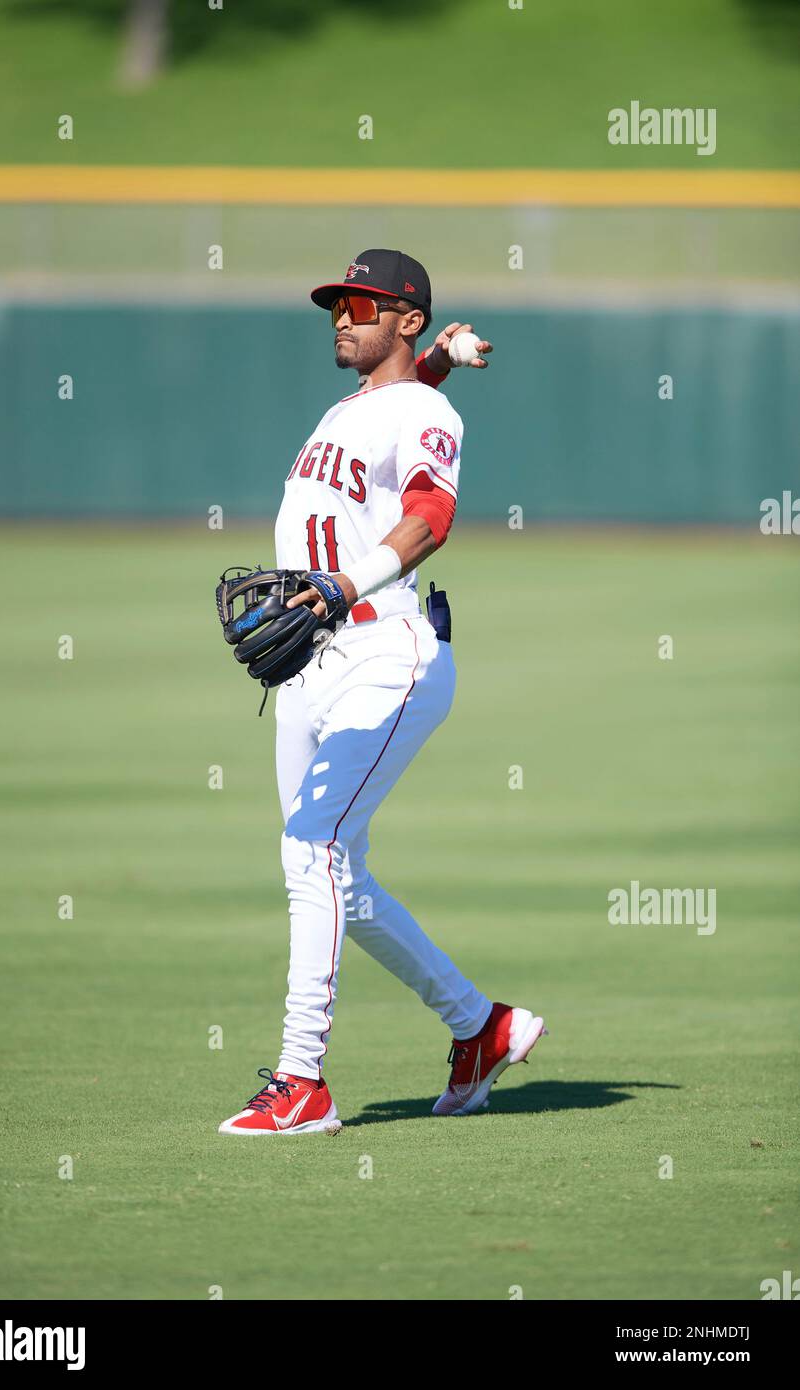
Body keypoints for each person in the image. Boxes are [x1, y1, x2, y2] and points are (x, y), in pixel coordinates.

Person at [219, 250, 547, 1136]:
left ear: (403, 316)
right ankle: (482, 1028)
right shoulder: (368, 402)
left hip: (385, 651)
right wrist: (436, 356)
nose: (342, 315)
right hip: (311, 666)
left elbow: (430, 515)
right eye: (336, 304)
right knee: (332, 872)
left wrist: (340, 587)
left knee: (310, 850)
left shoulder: (427, 410)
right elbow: (401, 402)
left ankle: (302, 1080)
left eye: (362, 304)